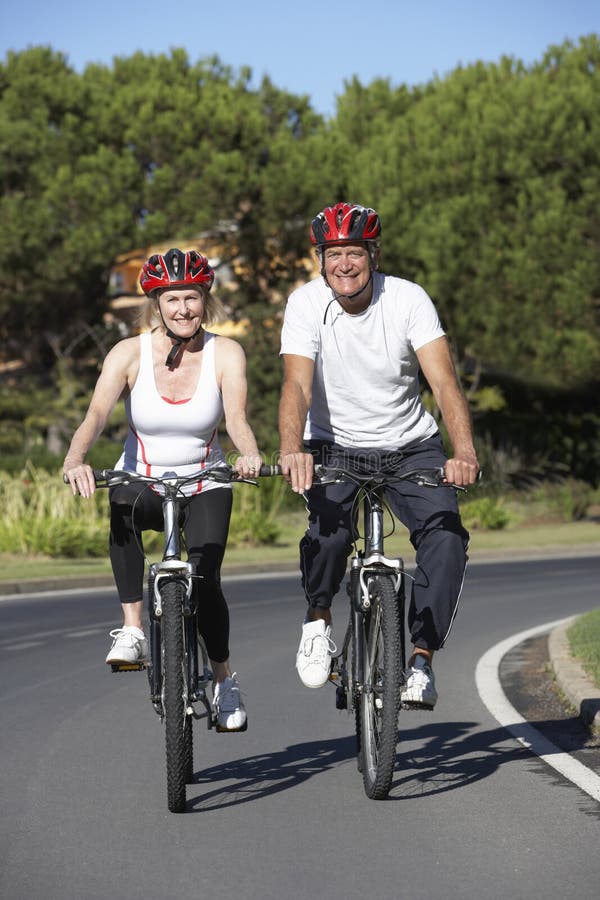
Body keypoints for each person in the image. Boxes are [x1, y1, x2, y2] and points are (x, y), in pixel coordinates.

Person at [279, 203, 479, 709]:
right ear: (320, 259)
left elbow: (443, 383)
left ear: (374, 254)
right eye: (333, 254)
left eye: (354, 253)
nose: (344, 264)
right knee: (328, 535)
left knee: (446, 537)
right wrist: (291, 449)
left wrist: (464, 451)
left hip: (409, 446)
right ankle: (318, 620)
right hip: (335, 444)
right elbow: (296, 385)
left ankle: (420, 661)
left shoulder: (408, 299)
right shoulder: (305, 305)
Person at [63, 247, 262, 732]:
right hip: (144, 480)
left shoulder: (225, 352)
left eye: (191, 298)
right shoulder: (128, 353)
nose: (183, 309)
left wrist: (250, 454)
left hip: (205, 479)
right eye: (172, 299)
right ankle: (133, 628)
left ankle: (223, 679)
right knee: (122, 504)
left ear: (204, 299)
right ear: (156, 303)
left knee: (207, 577)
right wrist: (76, 458)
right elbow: (96, 416)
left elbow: (235, 417)